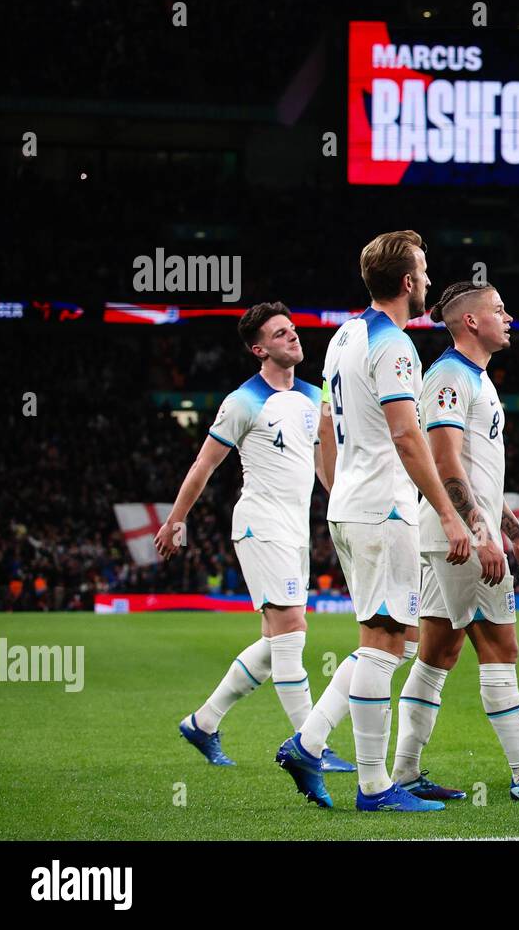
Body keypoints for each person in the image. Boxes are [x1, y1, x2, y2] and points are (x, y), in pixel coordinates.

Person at [274, 231, 472, 812]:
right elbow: (408, 435)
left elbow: (328, 430)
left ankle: (310, 743)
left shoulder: (342, 337)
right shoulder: (395, 346)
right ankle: (372, 785)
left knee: (390, 639)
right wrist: (448, 515)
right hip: (384, 507)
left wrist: (340, 494)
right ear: (408, 282)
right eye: (425, 271)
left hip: (354, 504)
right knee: (386, 644)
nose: (430, 281)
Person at [393, 280, 519, 802]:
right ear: (471, 322)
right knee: (501, 647)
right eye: (499, 310)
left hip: (450, 536)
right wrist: (483, 535)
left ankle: (405, 773)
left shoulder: (476, 378)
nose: (508, 317)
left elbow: (478, 476)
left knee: (438, 652)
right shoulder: (450, 378)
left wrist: (516, 536)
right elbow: (445, 461)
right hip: (461, 539)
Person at [158, 302, 353, 774]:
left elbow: (322, 467)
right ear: (259, 349)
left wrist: (343, 503)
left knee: (275, 645)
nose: (293, 337)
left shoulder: (314, 395)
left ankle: (203, 723)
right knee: (291, 634)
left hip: (295, 531)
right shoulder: (243, 400)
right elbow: (204, 465)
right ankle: (312, 748)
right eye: (280, 334)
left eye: (293, 330)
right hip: (259, 525)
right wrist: (175, 519)